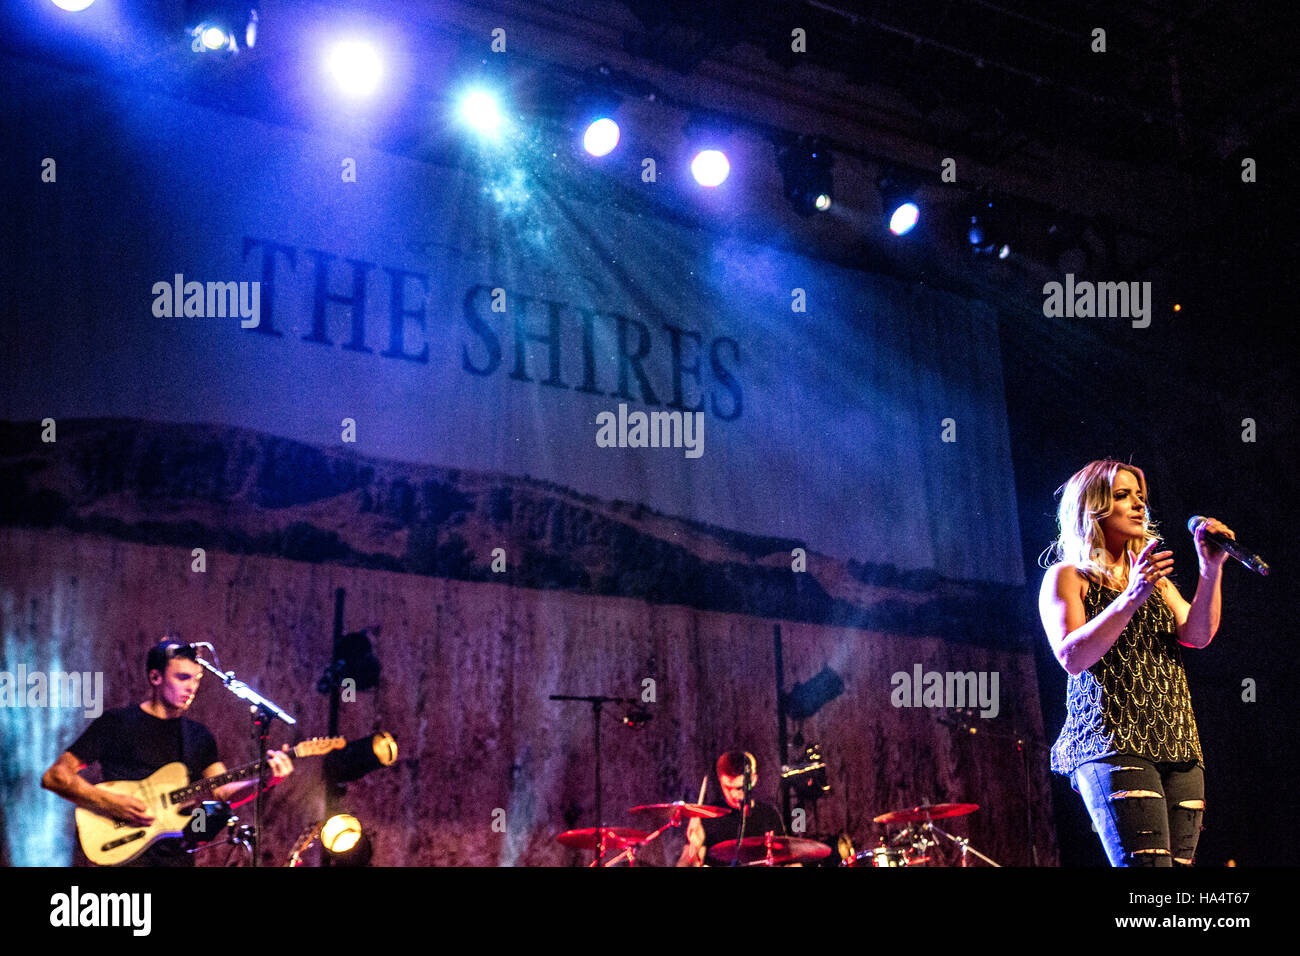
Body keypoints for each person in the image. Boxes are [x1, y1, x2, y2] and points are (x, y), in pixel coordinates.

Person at [1039, 460, 1233, 866]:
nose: (1138, 506)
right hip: (1112, 742)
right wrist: (1131, 595)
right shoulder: (1068, 576)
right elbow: (1072, 657)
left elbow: (1196, 635)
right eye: (1123, 496)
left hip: (1177, 739)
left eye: (1140, 497)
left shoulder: (1155, 582)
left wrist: (1210, 569)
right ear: (1091, 508)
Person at [41, 640, 294, 866]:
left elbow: (223, 792)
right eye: (183, 677)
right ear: (155, 677)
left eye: (197, 679)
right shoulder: (117, 723)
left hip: (176, 857)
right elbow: (55, 776)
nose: (192, 687)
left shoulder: (198, 736)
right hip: (123, 852)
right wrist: (109, 802)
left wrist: (266, 781)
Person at [677, 750, 786, 866]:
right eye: (728, 788)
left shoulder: (769, 815)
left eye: (739, 788)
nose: (733, 795)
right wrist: (694, 846)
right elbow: (686, 863)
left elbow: (788, 857)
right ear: (720, 781)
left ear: (753, 780)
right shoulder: (707, 817)